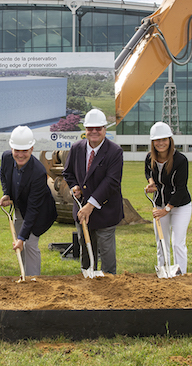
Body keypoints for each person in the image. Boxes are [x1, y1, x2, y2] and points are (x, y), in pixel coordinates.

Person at [62, 109, 124, 275]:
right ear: (85, 130)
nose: (94, 132)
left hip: (106, 211)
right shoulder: (76, 148)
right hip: (82, 211)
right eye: (90, 128)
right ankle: (87, 278)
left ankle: (109, 281)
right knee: (86, 247)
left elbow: (111, 182)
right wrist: (74, 186)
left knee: (106, 251)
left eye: (98, 128)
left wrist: (90, 205)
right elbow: (68, 173)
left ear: (105, 129)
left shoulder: (114, 152)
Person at [0, 126, 57, 276]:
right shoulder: (6, 158)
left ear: (31, 149)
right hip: (20, 206)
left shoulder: (38, 172)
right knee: (21, 241)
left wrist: (22, 238)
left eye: (24, 150)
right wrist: (7, 194)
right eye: (16, 150)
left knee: (28, 243)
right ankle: (24, 276)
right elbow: (3, 175)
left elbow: (33, 210)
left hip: (39, 212)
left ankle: (33, 282)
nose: (20, 154)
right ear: (11, 147)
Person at [144, 121, 192, 274]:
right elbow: (148, 173)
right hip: (159, 204)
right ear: (153, 142)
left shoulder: (180, 160)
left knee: (177, 243)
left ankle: (180, 275)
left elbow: (181, 188)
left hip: (180, 205)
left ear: (170, 140)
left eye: (164, 139)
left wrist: (167, 209)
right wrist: (151, 184)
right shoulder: (149, 157)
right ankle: (164, 273)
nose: (161, 143)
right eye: (157, 140)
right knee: (161, 242)